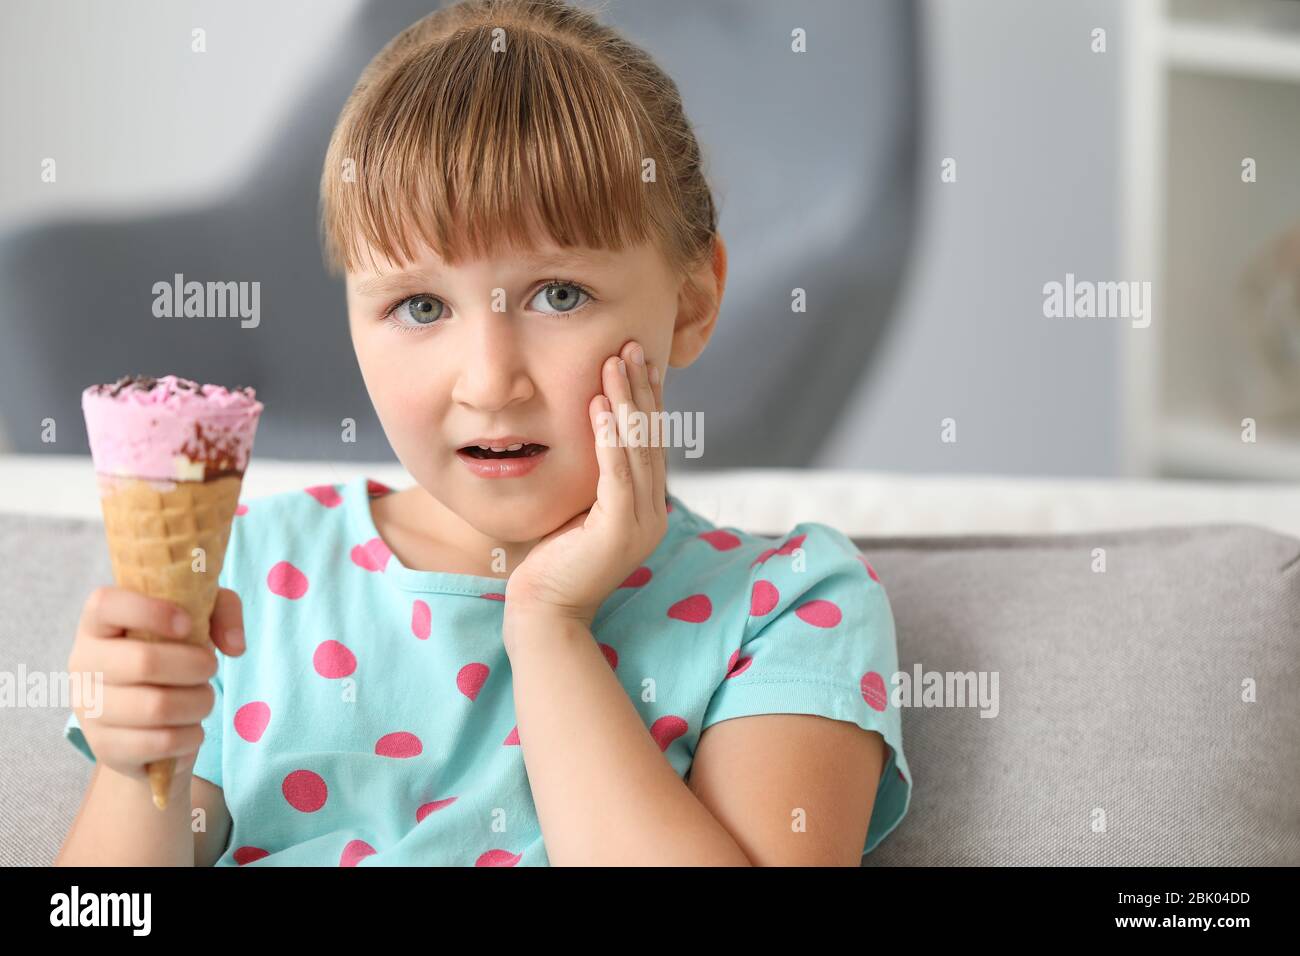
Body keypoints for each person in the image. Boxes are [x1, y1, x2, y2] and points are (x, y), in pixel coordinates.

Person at [57, 0, 909, 866]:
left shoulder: (787, 607)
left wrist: (549, 629)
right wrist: (139, 769)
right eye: (420, 307)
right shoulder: (242, 586)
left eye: (559, 295)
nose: (490, 381)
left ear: (692, 300)